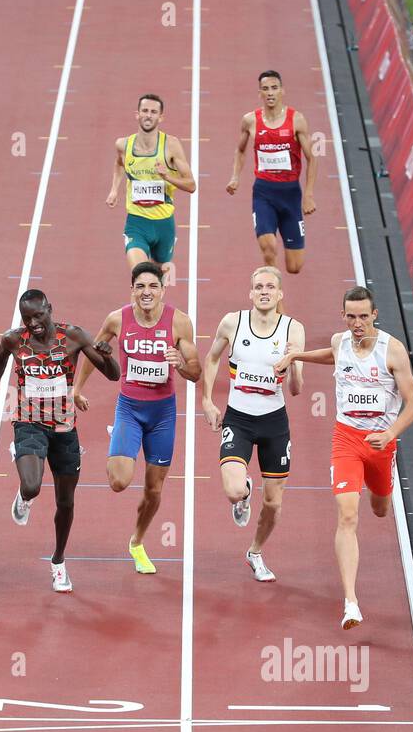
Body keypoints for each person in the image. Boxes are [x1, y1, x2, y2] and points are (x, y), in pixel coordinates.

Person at [274, 286, 413, 629]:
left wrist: (390, 434)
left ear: (374, 315)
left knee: (380, 508)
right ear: (343, 316)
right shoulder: (341, 342)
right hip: (346, 440)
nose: (357, 323)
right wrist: (296, 357)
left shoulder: (392, 350)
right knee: (347, 515)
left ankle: (380, 485)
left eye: (363, 317)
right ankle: (350, 602)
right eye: (350, 316)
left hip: (381, 443)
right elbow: (332, 354)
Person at [0, 290, 119, 593]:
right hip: (29, 422)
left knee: (66, 502)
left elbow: (113, 375)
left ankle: (58, 561)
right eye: (27, 318)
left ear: (49, 309)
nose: (34, 323)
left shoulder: (73, 336)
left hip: (64, 428)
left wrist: (108, 357)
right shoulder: (14, 339)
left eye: (39, 315)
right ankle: (24, 491)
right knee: (32, 485)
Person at [73, 261, 200, 574]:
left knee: (153, 491)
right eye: (140, 286)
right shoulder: (117, 319)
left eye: (153, 286)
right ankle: (119, 435)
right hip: (129, 408)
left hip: (163, 414)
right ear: (132, 290)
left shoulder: (179, 322)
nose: (147, 292)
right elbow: (94, 351)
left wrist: (180, 363)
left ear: (162, 289)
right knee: (118, 481)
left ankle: (137, 542)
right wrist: (77, 388)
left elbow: (196, 371)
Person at [200, 266, 304, 582]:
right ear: (250, 293)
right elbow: (213, 357)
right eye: (258, 286)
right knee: (233, 489)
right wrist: (207, 400)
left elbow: (297, 389)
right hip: (239, 419)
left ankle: (255, 553)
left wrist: (294, 363)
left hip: (274, 423)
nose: (264, 291)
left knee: (273, 503)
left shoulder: (292, 330)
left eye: (270, 287)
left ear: (279, 294)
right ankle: (245, 494)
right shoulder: (233, 323)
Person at [226, 70, 317, 276]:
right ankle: (276, 300)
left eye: (274, 88)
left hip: (291, 194)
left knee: (294, 267)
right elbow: (240, 149)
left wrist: (309, 195)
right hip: (264, 192)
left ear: (282, 91)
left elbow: (312, 158)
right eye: (265, 89)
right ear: (260, 93)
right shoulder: (250, 121)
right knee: (268, 247)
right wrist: (235, 177)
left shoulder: (297, 120)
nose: (270, 93)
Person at [106, 93, 196, 284]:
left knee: (158, 282)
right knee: (142, 278)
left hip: (164, 225)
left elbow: (191, 185)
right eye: (145, 111)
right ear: (137, 114)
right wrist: (114, 189)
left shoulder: (171, 145)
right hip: (136, 223)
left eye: (153, 112)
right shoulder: (123, 144)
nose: (148, 115)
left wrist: (167, 176)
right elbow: (119, 163)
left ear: (160, 117)